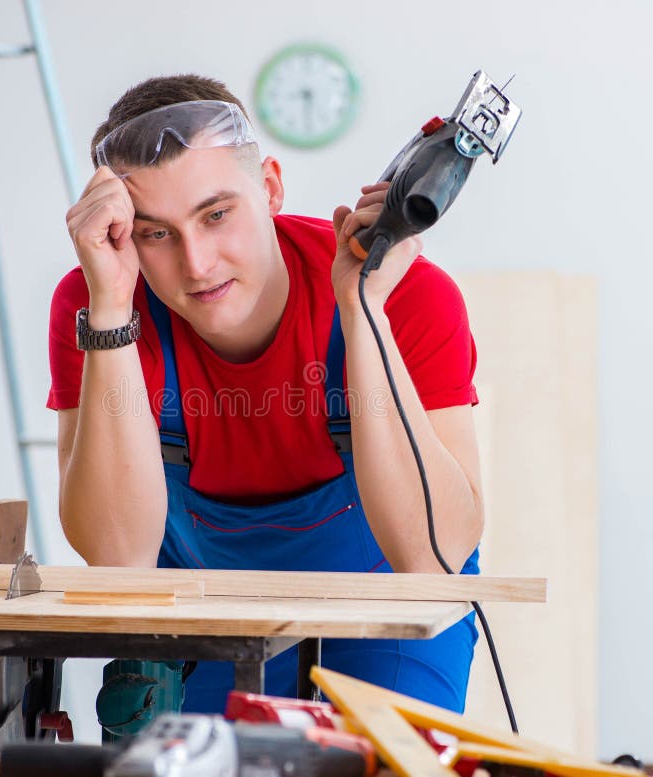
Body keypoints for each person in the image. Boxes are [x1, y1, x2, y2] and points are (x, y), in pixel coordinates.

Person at [47, 74, 485, 714]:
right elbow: (119, 561)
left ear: (271, 188)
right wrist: (111, 308)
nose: (197, 263)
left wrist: (362, 313)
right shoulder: (99, 307)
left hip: (389, 600)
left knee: (387, 758)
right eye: (155, 233)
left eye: (216, 215)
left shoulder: (410, 295)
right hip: (204, 605)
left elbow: (432, 558)